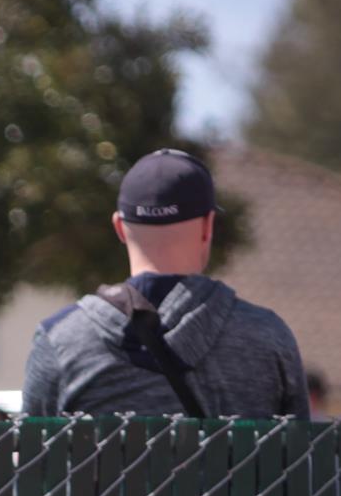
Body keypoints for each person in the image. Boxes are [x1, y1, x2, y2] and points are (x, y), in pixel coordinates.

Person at [23, 149, 308, 419]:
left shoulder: (59, 339)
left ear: (119, 227)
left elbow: (32, 451)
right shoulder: (268, 337)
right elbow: (300, 448)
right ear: (208, 226)